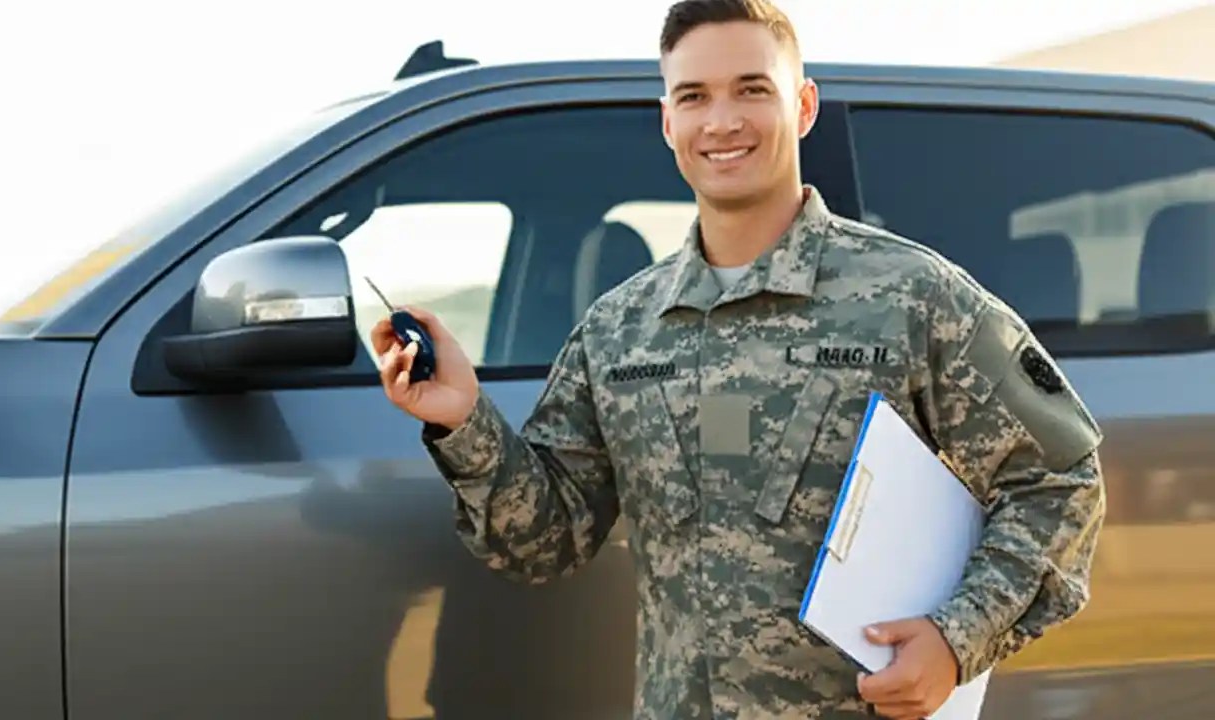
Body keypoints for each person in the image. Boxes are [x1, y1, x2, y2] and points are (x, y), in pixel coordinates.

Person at [369, 0, 1107, 717]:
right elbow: (549, 539)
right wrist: (464, 420)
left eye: (752, 90)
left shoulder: (910, 299)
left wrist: (956, 638)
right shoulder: (620, 330)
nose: (721, 122)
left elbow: (1062, 480)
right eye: (694, 97)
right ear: (668, 122)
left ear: (804, 105)